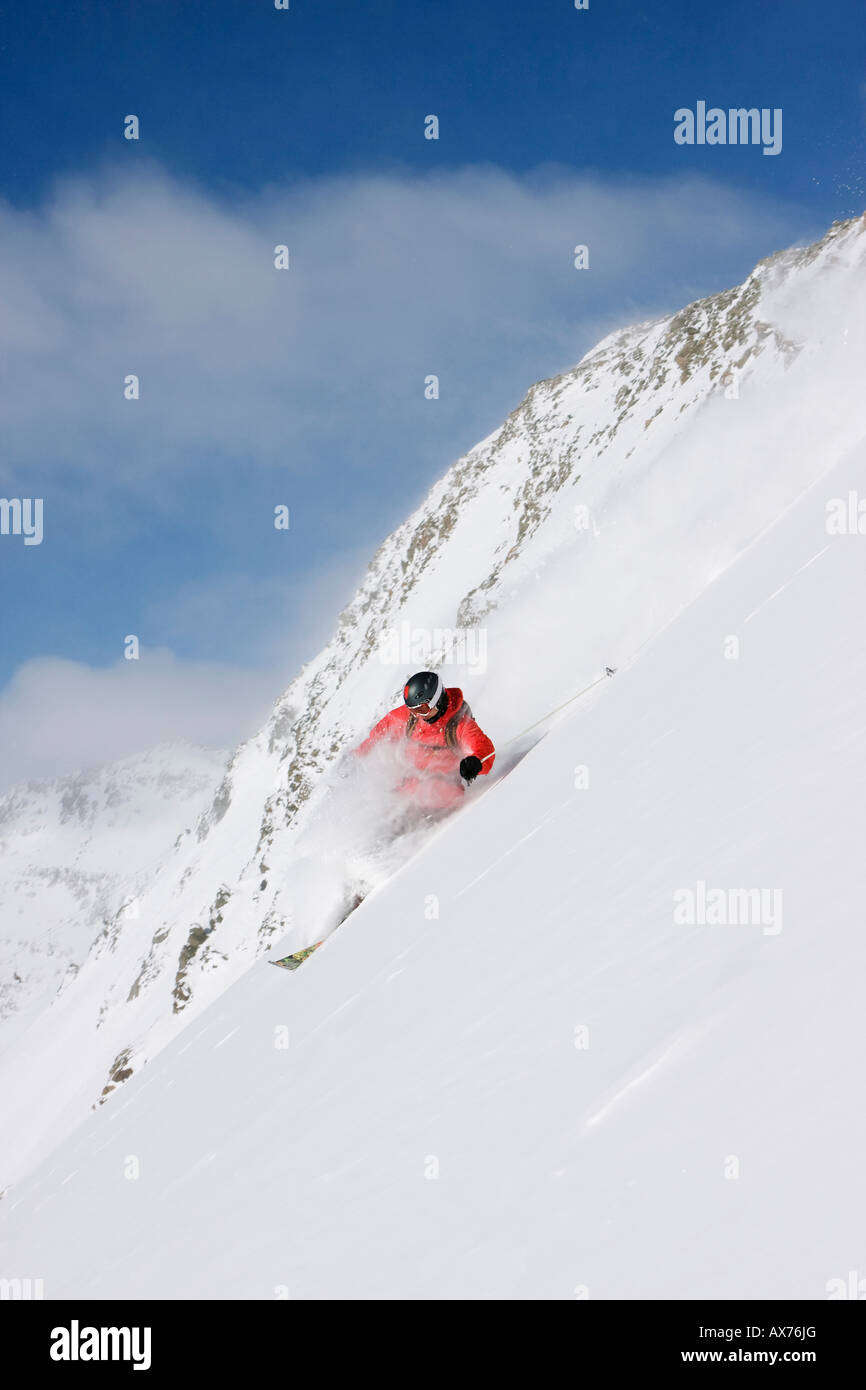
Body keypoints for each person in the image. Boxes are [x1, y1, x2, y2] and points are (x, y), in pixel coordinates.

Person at [355, 671, 495, 812]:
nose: (417, 715)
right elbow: (380, 733)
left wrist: (474, 763)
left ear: (437, 701)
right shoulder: (411, 719)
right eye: (412, 710)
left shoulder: (458, 725)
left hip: (442, 796)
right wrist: (359, 753)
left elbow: (484, 749)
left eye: (422, 709)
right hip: (407, 788)